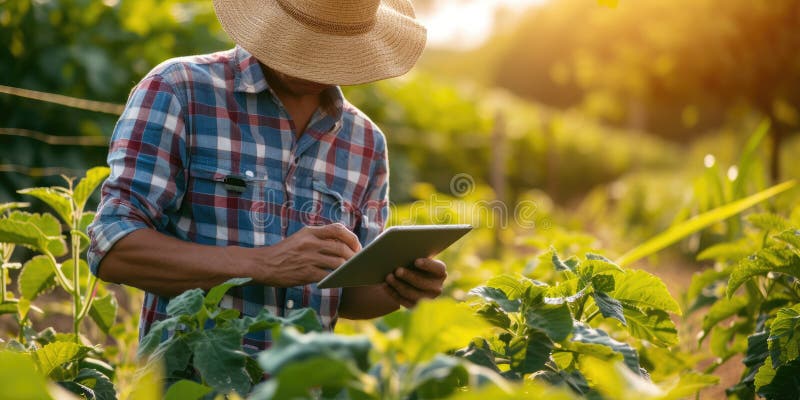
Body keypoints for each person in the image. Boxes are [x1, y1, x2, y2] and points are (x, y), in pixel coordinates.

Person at [87, 0, 446, 352]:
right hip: (192, 384)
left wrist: (400, 289)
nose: (313, 60)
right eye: (305, 40)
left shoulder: (365, 142)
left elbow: (348, 295)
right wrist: (262, 264)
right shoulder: (180, 90)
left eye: (328, 48)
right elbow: (114, 247)